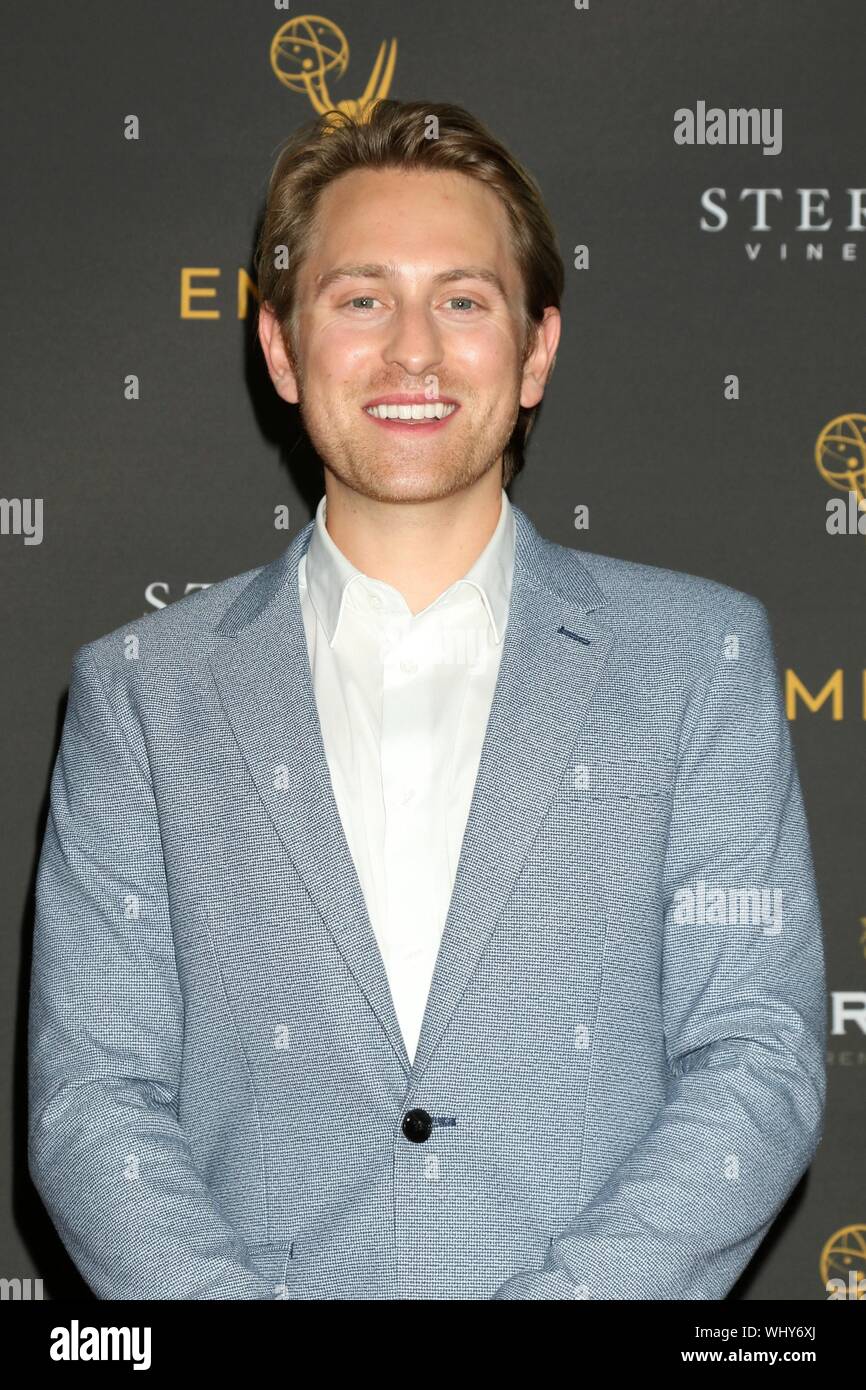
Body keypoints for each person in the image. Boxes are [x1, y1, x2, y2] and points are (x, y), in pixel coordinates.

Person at [28, 99, 825, 1300]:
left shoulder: (695, 657)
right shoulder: (140, 696)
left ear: (536, 349)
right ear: (282, 351)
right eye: (360, 299)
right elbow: (91, 1100)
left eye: (462, 299)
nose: (413, 351)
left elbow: (756, 1062)